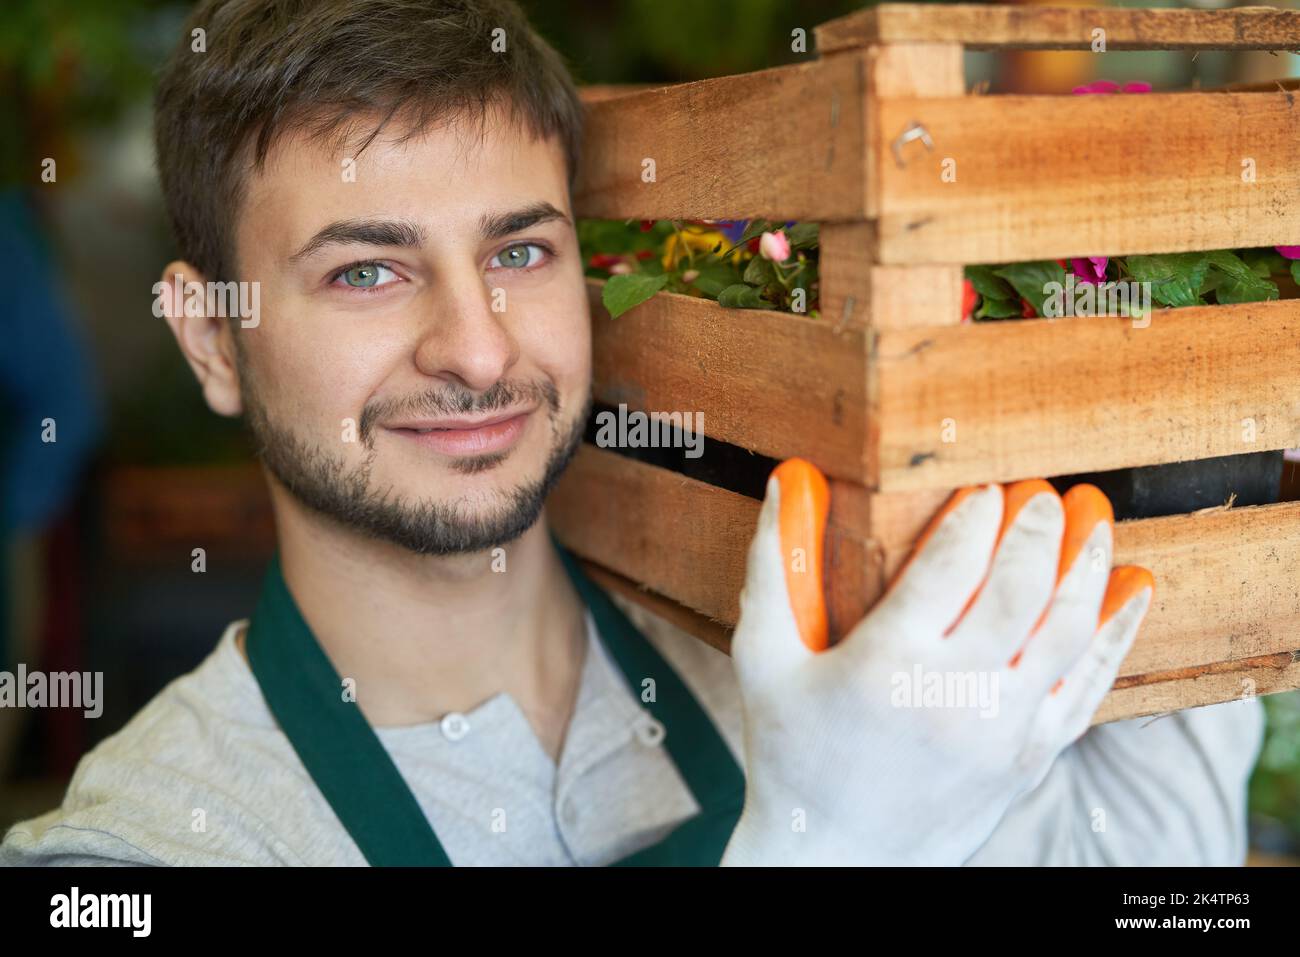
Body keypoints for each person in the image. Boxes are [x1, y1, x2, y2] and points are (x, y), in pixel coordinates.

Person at [1, 0, 1263, 867]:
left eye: (520, 249)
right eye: (368, 273)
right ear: (211, 335)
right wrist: (832, 836)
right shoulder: (153, 843)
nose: (481, 347)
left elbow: (1151, 865)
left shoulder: (838, 657)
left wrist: (1179, 447)